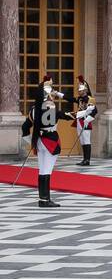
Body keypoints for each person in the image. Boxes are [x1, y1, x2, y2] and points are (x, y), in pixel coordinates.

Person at [22, 75, 73, 208]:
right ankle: (46, 200)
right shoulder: (50, 108)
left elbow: (25, 127)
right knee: (47, 171)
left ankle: (42, 199)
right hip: (50, 142)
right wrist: (84, 113)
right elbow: (67, 116)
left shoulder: (34, 109)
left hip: (39, 142)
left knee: (42, 171)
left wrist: (30, 143)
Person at [73, 75, 98, 166]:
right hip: (79, 121)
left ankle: (87, 160)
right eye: (79, 90)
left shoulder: (90, 99)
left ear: (85, 90)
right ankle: (84, 159)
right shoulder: (80, 99)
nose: (79, 91)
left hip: (86, 121)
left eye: (81, 90)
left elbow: (95, 111)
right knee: (82, 141)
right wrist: (60, 95)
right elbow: (71, 99)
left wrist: (87, 120)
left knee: (86, 140)